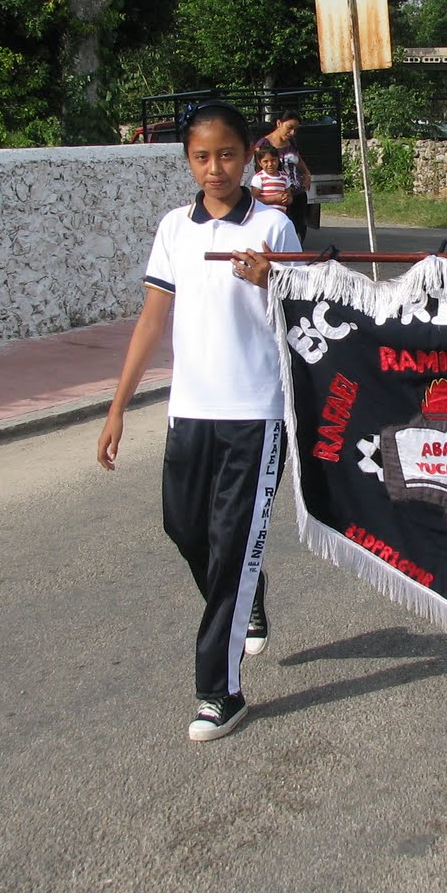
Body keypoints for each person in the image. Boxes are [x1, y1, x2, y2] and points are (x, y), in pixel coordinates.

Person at [96, 100, 301, 743]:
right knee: (184, 528)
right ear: (188, 160)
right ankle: (251, 592)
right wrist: (118, 407)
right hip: (191, 410)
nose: (215, 169)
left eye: (228, 155)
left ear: (249, 157)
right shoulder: (173, 230)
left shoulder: (272, 226)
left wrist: (273, 281)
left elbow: (308, 315)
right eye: (201, 157)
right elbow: (153, 319)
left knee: (233, 544)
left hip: (257, 413)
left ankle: (221, 691)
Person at [258, 110, 307, 243]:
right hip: (278, 194)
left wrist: (306, 174)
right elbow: (257, 171)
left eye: (295, 130)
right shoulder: (263, 144)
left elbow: (299, 160)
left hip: (296, 191)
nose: (292, 133)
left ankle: (298, 253)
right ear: (279, 123)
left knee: (299, 225)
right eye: (290, 128)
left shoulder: (292, 143)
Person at [249, 142, 293, 212]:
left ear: (278, 160)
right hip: (264, 215)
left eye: (273, 160)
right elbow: (254, 200)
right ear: (260, 163)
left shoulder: (284, 177)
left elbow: (290, 196)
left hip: (281, 215)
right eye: (265, 161)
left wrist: (287, 199)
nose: (270, 164)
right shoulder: (259, 177)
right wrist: (275, 199)